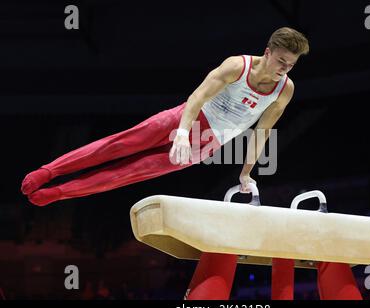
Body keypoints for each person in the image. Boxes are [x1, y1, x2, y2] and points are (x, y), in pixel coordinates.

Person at [21, 27, 309, 206]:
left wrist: (246, 174)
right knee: (116, 146)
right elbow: (198, 96)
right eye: (281, 61)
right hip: (182, 120)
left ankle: (59, 193)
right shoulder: (237, 66)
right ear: (267, 52)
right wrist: (183, 132)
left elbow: (262, 132)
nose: (284, 68)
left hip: (207, 144)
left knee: (127, 173)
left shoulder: (285, 90)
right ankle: (50, 171)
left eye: (291, 65)